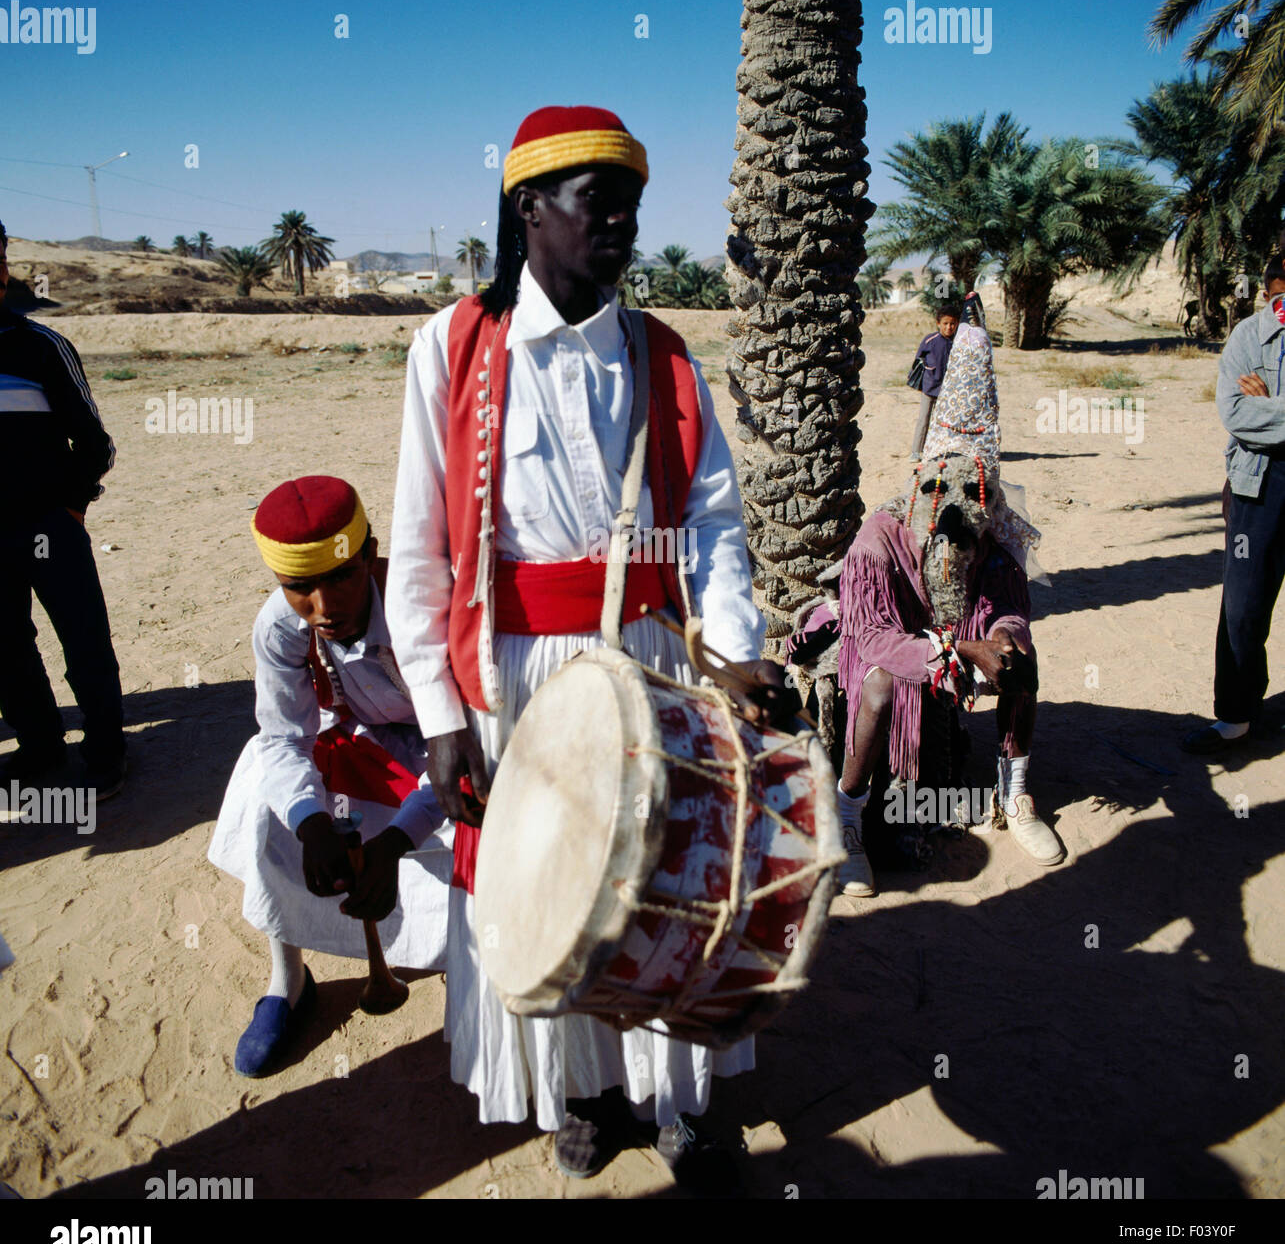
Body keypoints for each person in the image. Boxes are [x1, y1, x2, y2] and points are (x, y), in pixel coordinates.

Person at [386, 105, 785, 1184]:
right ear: (528, 211)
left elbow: (711, 523)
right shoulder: (452, 346)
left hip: (651, 666)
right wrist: (437, 717)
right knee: (550, 891)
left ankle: (683, 1102)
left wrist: (737, 650)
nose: (619, 221)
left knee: (668, 890)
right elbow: (420, 550)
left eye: (631, 203)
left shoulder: (661, 354)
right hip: (513, 685)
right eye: (593, 200)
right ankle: (589, 1092)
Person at [209, 476, 452, 1077]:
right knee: (261, 790)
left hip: (451, 748)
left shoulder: (425, 605)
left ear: (369, 555)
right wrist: (310, 821)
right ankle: (288, 982)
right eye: (299, 588)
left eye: (341, 577)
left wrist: (397, 841)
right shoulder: (280, 627)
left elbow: (471, 739)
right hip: (359, 738)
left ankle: (473, 965)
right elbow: (284, 735)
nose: (325, 606)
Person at [835, 293, 1063, 896]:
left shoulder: (990, 534)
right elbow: (879, 639)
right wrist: (963, 651)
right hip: (893, 653)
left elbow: (1007, 603)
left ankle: (1015, 794)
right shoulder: (880, 538)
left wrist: (1005, 636)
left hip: (959, 652)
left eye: (973, 498)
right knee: (881, 685)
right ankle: (848, 816)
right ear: (921, 488)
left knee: (1023, 662)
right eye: (941, 493)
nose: (955, 515)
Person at [0, 220, 126, 796]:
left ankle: (106, 754)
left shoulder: (40, 347)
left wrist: (71, 508)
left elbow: (95, 444)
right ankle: (41, 746)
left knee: (84, 643)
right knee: (6, 650)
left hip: (48, 526)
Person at [1182, 255, 1285, 755]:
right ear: (1269, 289)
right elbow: (1237, 413)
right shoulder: (1247, 336)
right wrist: (1259, 409)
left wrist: (1273, 407)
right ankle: (1237, 718)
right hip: (1257, 487)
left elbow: (1260, 415)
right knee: (1243, 606)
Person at [909, 303, 960, 461]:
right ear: (938, 324)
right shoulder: (930, 340)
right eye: (945, 323)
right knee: (924, 419)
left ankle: (940, 449)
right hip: (929, 387)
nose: (949, 327)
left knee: (945, 421)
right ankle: (916, 451)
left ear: (957, 324)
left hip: (949, 390)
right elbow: (918, 361)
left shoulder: (958, 342)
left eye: (952, 324)